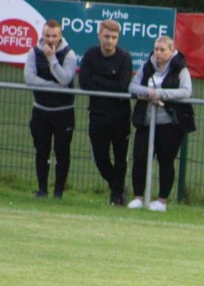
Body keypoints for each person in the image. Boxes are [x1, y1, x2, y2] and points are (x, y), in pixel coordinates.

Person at [128, 35, 195, 212]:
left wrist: (160, 93)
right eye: (156, 49)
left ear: (171, 51)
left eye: (162, 50)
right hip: (146, 121)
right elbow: (133, 86)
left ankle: (161, 201)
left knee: (166, 161)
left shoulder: (180, 69)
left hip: (170, 123)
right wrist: (148, 92)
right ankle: (138, 198)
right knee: (140, 159)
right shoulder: (147, 66)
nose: (158, 53)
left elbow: (186, 91)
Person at [79, 19, 132, 206]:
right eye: (106, 36)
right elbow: (84, 83)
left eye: (114, 37)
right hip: (98, 113)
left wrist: (97, 79)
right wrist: (108, 82)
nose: (110, 41)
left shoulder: (124, 58)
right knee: (100, 157)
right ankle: (117, 186)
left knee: (120, 157)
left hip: (120, 114)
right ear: (99, 36)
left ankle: (116, 196)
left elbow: (123, 86)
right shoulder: (90, 55)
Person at [24, 20, 77, 199]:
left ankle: (58, 192)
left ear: (60, 36)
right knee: (41, 150)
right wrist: (53, 86)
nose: (50, 39)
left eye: (54, 36)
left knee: (62, 152)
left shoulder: (69, 54)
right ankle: (42, 190)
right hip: (40, 110)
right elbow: (29, 78)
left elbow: (65, 79)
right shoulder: (33, 52)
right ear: (42, 34)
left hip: (64, 111)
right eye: (47, 35)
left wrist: (51, 58)